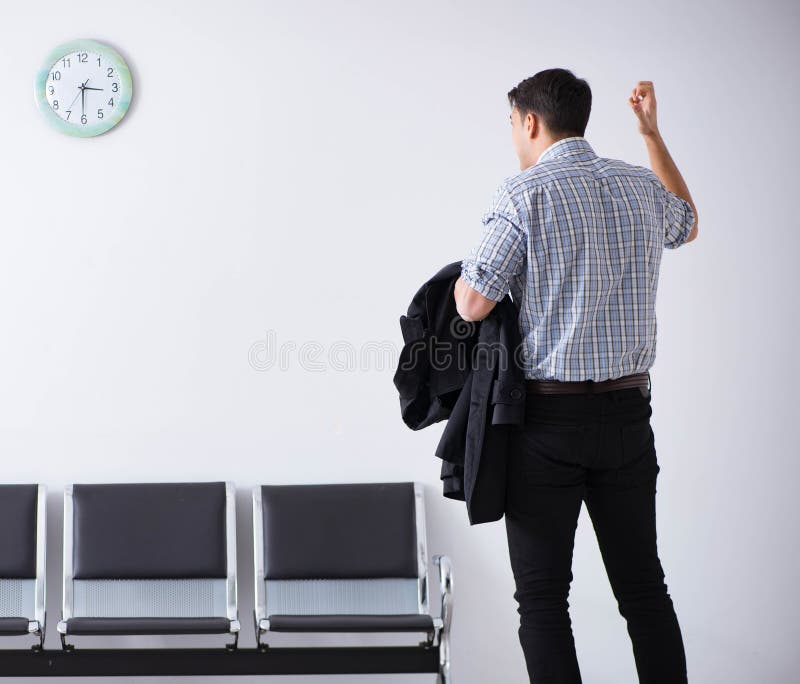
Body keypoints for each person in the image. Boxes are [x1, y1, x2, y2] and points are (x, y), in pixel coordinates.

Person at [453, 68, 697, 683]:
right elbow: (688, 223)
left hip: (547, 425)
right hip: (628, 420)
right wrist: (651, 135)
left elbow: (472, 303)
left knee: (542, 601)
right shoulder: (640, 186)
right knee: (644, 590)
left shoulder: (523, 194)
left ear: (531, 122)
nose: (513, 134)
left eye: (513, 122)